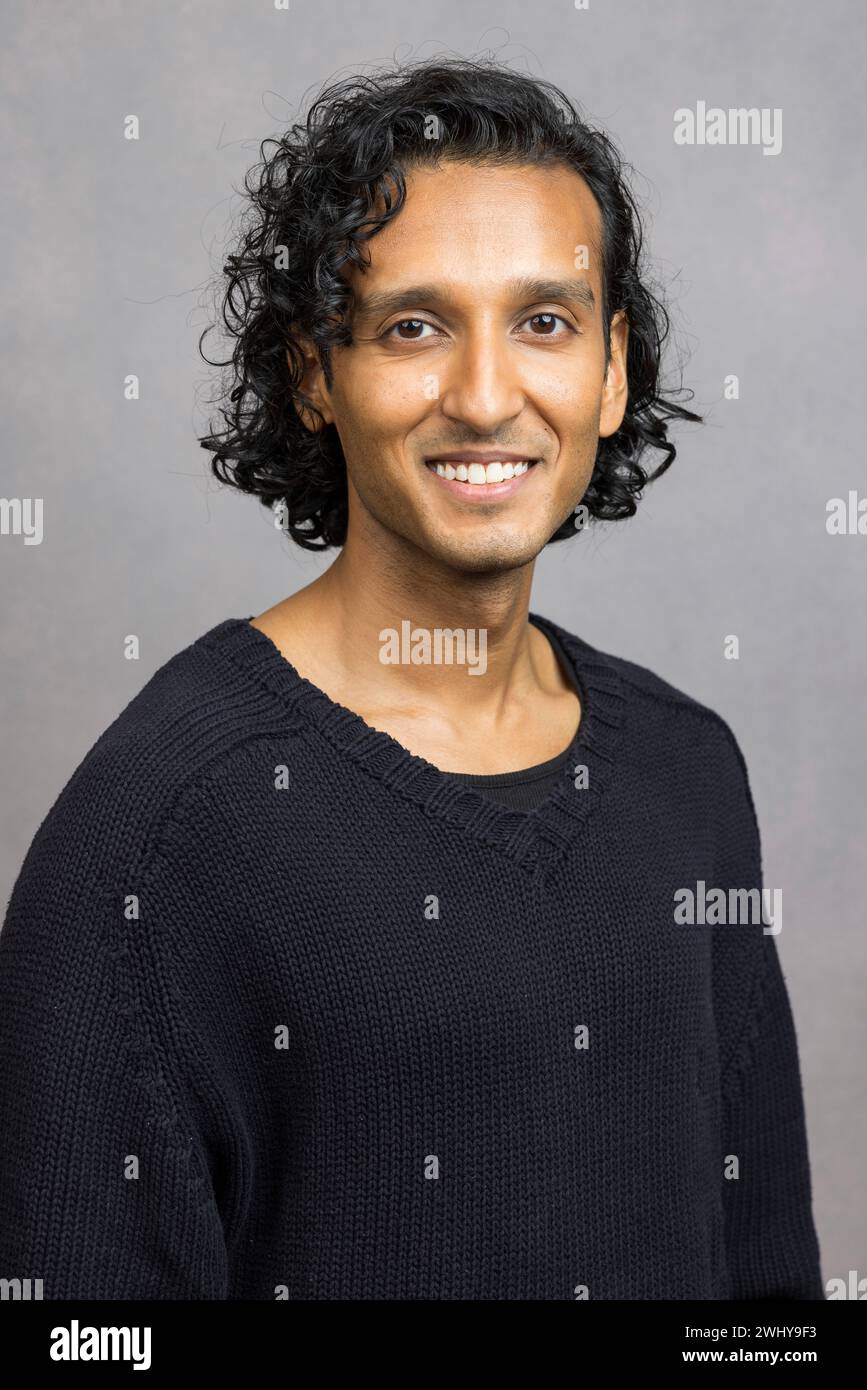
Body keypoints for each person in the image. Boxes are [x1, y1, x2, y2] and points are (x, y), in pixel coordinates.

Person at [0, 58, 823, 1300]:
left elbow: (766, 1292)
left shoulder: (688, 771)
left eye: (543, 322)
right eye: (415, 326)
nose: (486, 396)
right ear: (312, 375)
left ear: (611, 370)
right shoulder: (162, 829)